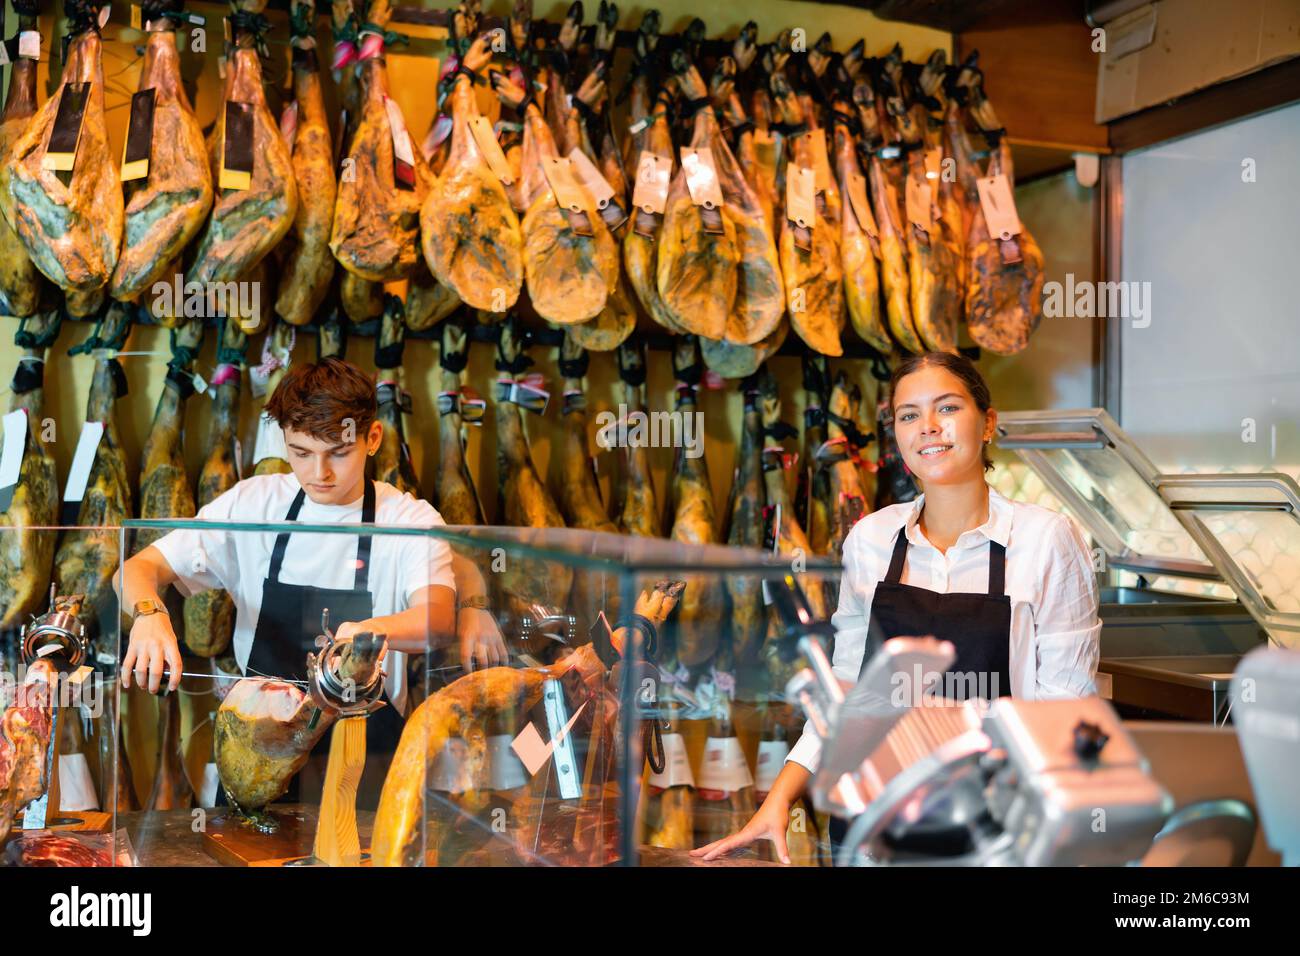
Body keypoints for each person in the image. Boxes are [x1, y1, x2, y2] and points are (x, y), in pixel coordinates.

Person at [693, 351, 1101, 864]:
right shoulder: (871, 539)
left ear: (988, 422)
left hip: (992, 831)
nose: (928, 427)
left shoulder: (1046, 539)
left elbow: (1065, 713)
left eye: (947, 408)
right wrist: (779, 798)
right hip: (875, 825)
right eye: (909, 415)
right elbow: (846, 694)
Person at [118, 356, 504, 805]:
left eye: (338, 453)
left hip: (364, 755)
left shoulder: (407, 519)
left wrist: (367, 632)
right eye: (301, 453)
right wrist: (149, 612)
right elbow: (137, 570)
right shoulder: (253, 506)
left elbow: (436, 620)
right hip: (257, 754)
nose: (318, 473)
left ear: (372, 439)